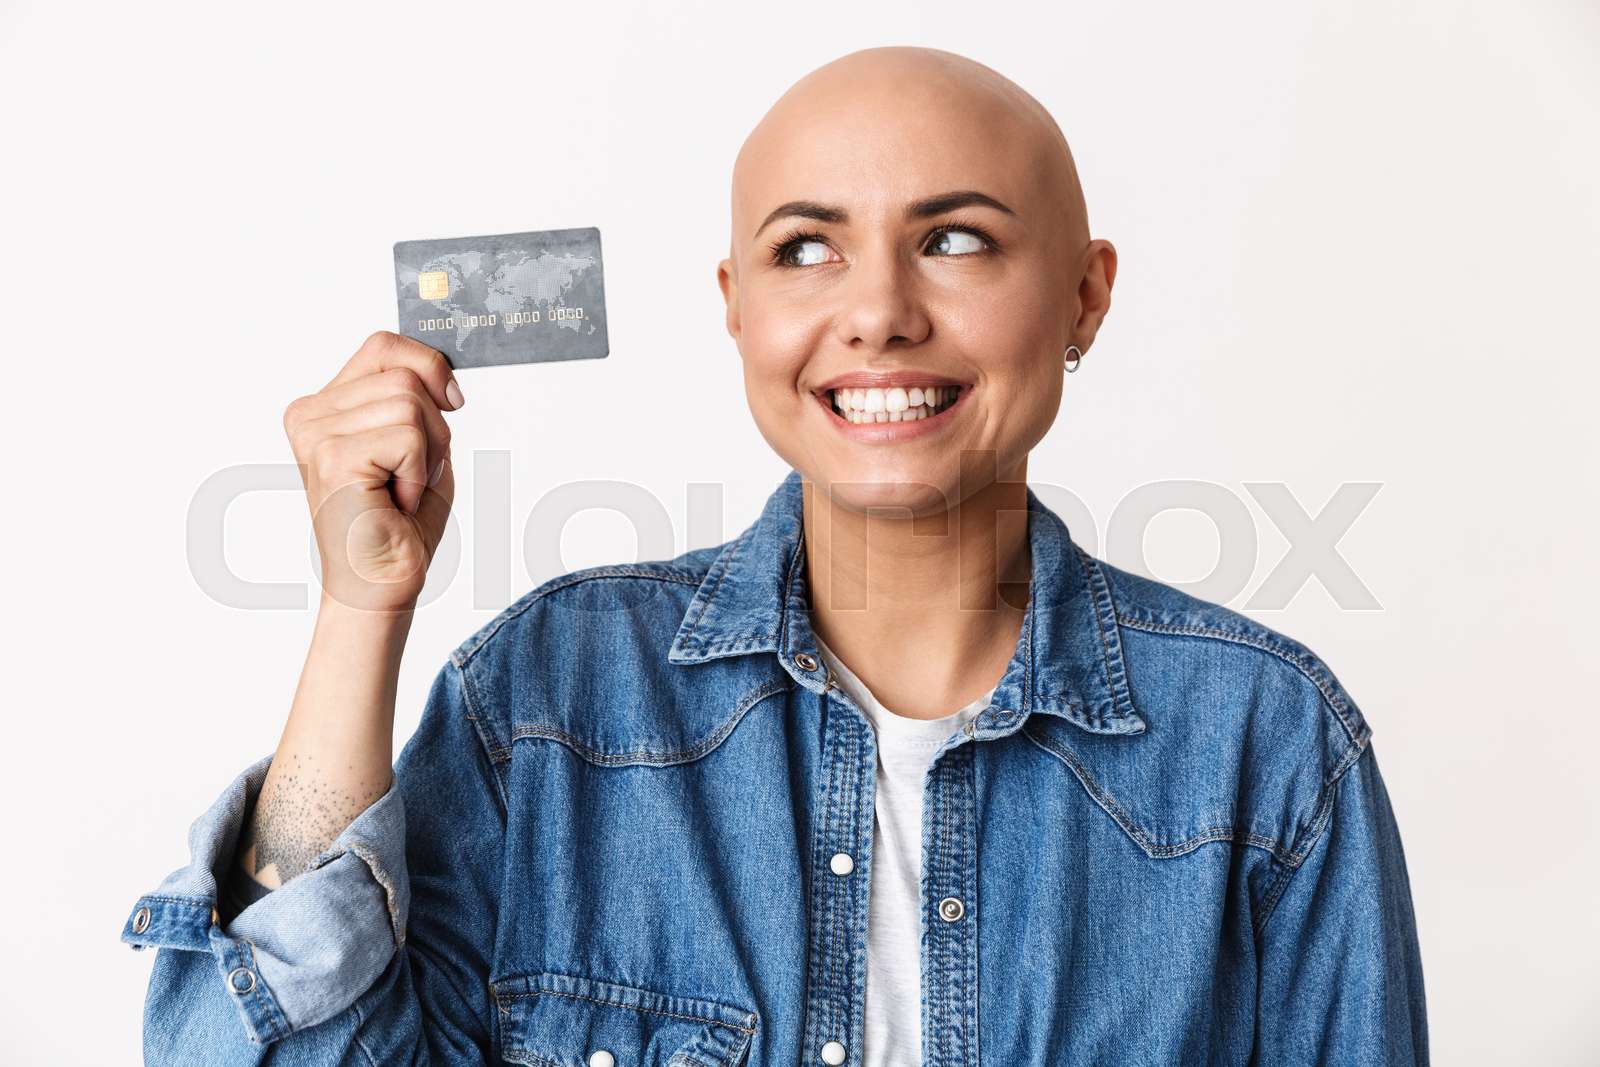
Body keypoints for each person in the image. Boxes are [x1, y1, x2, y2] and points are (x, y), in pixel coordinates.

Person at [121, 45, 1428, 1066]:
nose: (877, 314)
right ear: (737, 307)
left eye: (955, 239)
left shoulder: (1263, 741)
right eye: (808, 250)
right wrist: (363, 604)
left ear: (1086, 294)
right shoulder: (555, 699)